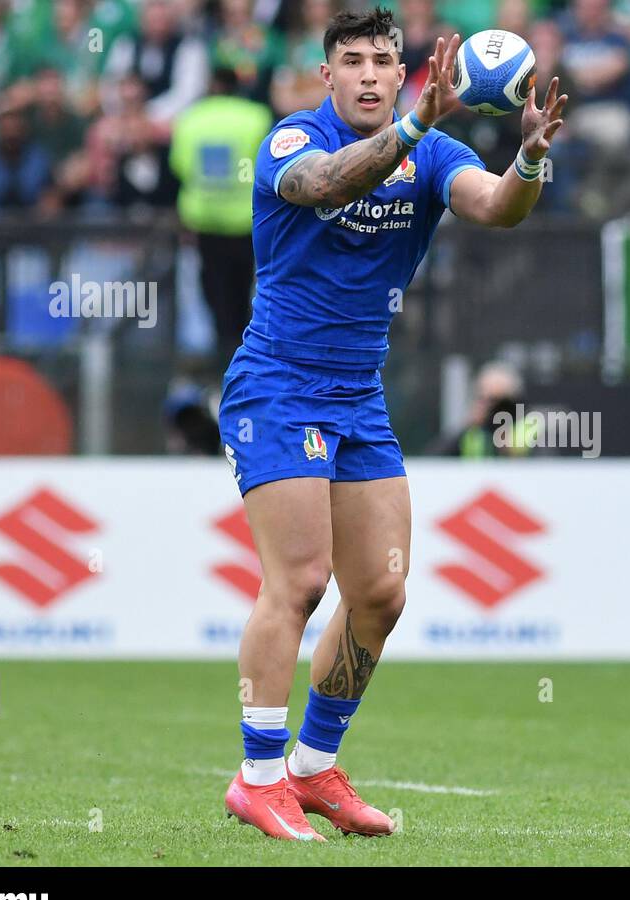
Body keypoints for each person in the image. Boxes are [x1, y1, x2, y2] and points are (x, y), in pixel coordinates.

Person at [216, 6, 566, 842]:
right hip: (277, 386)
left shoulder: (435, 151)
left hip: (357, 396)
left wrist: (529, 156)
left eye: (384, 60)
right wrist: (416, 121)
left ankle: (311, 769)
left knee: (380, 591)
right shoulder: (290, 142)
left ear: (401, 69)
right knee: (298, 582)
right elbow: (331, 185)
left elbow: (494, 208)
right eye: (354, 61)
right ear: (326, 74)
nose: (370, 74)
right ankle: (256, 777)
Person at [169, 66, 272, 370]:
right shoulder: (256, 117)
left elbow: (181, 166)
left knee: (213, 293)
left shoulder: (190, 119)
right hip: (244, 223)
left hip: (204, 223)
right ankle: (240, 358)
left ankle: (223, 358)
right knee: (243, 295)